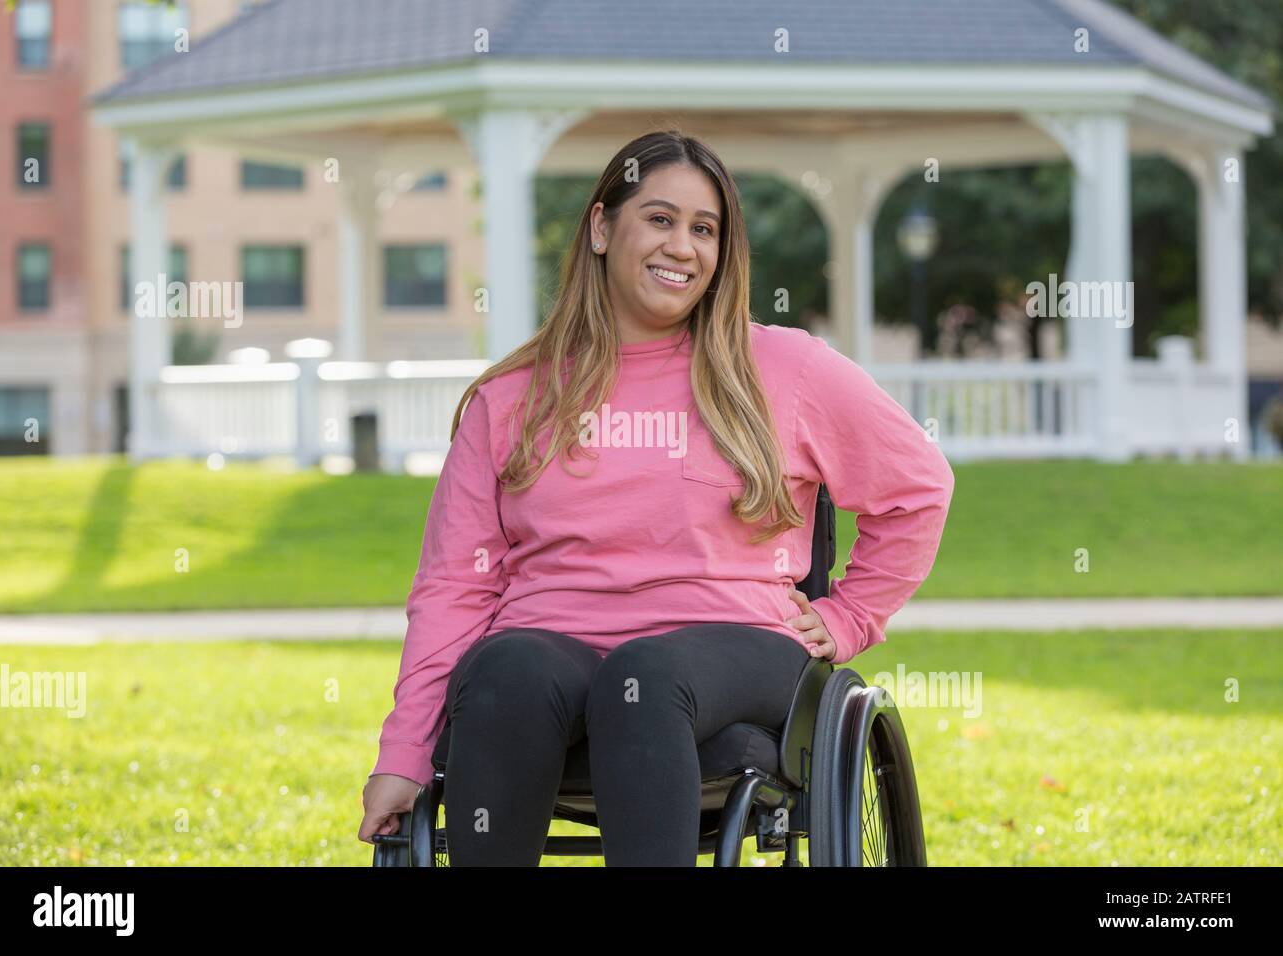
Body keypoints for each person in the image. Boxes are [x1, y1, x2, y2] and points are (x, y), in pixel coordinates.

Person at [357, 129, 955, 865]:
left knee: (642, 676)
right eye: (661, 219)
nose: (684, 247)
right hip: (554, 650)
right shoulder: (511, 398)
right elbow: (452, 587)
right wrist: (404, 755)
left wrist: (853, 613)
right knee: (505, 669)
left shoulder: (784, 367)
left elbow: (919, 487)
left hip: (735, 650)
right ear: (603, 228)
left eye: (704, 229)